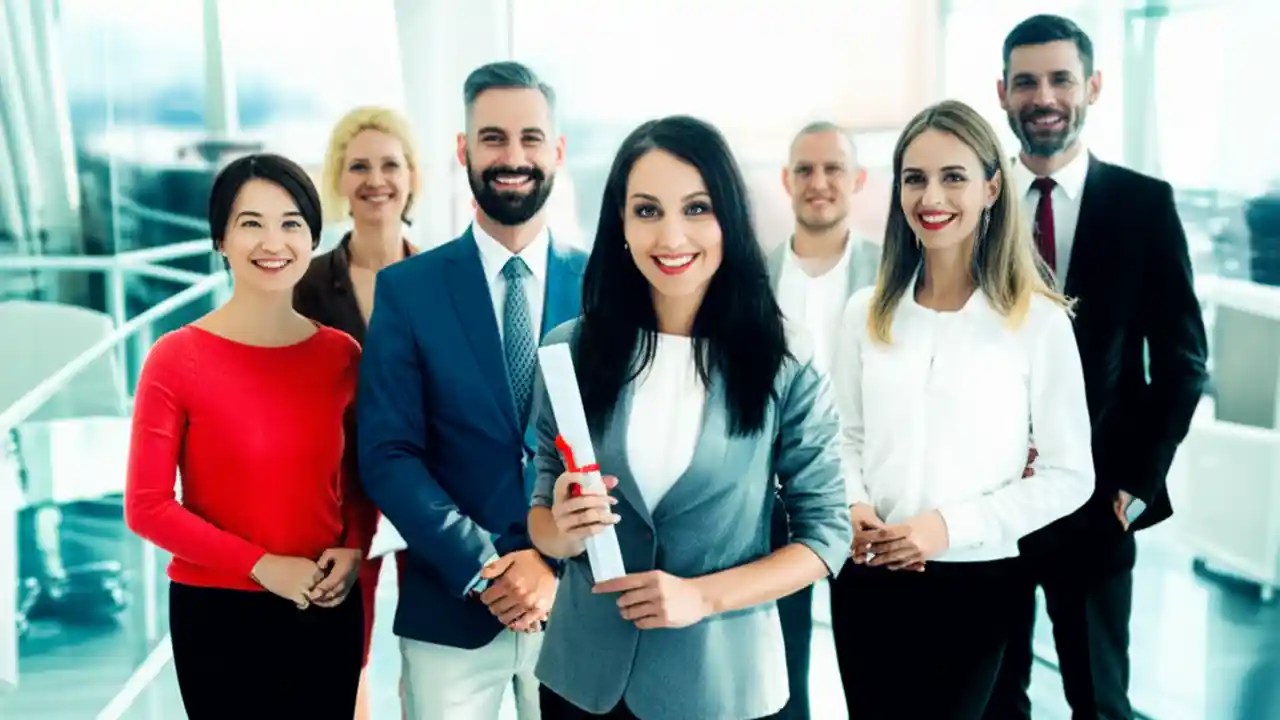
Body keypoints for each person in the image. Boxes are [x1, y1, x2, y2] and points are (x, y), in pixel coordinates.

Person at [528, 115, 853, 720]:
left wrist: (701, 597)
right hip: (583, 681)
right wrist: (564, 527)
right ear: (620, 225)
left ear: (729, 216)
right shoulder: (571, 350)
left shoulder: (785, 355)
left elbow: (826, 534)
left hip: (719, 683)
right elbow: (542, 521)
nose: (672, 236)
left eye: (697, 208)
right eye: (647, 211)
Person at [829, 99, 1095, 719]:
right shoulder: (866, 314)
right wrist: (855, 506)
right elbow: (843, 438)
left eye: (954, 177)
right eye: (915, 177)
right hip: (866, 579)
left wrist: (943, 527)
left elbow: (1070, 475)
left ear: (991, 187)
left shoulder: (1037, 322)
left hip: (976, 583)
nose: (932, 196)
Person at [991, 15, 1209, 720]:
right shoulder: (975, 204)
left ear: (1093, 86)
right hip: (984, 506)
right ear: (1002, 92)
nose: (1043, 96)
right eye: (1026, 81)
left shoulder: (1145, 205)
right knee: (992, 700)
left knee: (1100, 703)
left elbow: (1182, 360)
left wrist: (1136, 486)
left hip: (1096, 504)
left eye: (1059, 78)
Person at [358, 61, 586, 720]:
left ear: (557, 151)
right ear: (463, 150)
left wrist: (548, 563)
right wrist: (486, 565)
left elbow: (621, 447)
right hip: (450, 604)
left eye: (530, 138)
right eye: (491, 138)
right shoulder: (407, 290)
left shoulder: (607, 286)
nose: (511, 157)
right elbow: (389, 453)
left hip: (577, 606)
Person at [125, 153, 368, 719]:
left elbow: (359, 479)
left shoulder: (341, 356)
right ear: (221, 240)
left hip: (324, 604)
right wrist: (261, 564)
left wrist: (353, 543)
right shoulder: (175, 358)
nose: (272, 241)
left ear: (312, 237)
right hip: (217, 614)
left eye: (290, 223)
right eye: (250, 223)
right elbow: (147, 506)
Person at [294, 105, 422, 720]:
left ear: (412, 177)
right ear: (339, 180)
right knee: (347, 653)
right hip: (339, 493)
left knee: (429, 652)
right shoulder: (307, 285)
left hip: (428, 485)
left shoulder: (442, 278)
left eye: (390, 164)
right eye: (359, 166)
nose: (376, 179)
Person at [766, 120, 878, 719]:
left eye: (833, 168)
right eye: (805, 169)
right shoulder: (748, 280)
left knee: (874, 675)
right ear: (786, 181)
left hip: (869, 504)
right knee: (780, 680)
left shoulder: (897, 275)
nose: (819, 182)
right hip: (770, 506)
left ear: (857, 179)